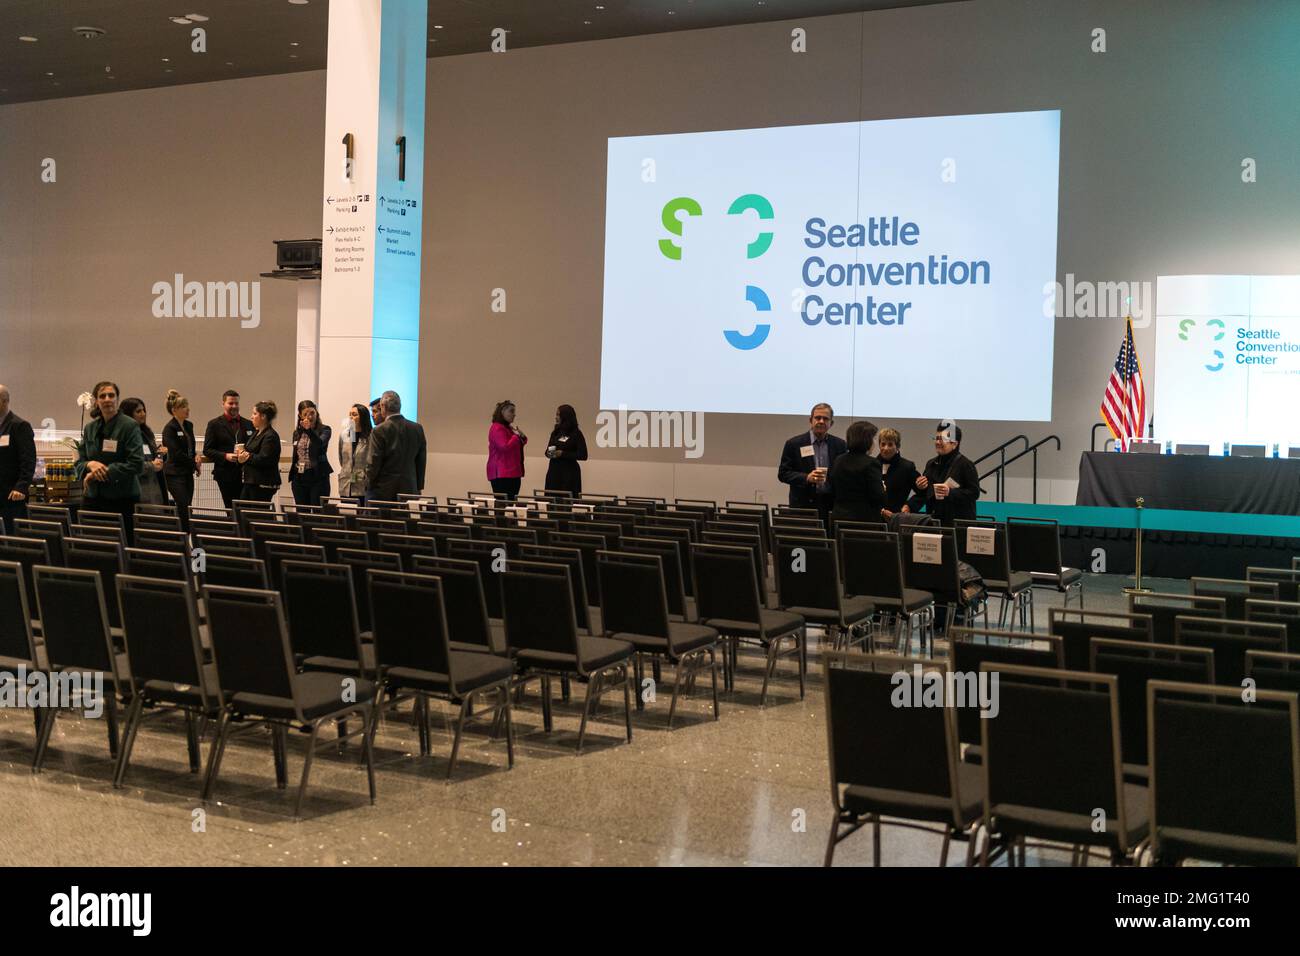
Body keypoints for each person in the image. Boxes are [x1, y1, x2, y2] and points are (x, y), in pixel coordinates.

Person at [74, 380, 144, 538]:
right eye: (102, 396)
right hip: (92, 498)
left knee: (120, 551)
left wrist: (102, 472)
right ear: (96, 401)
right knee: (91, 548)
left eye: (111, 395)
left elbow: (136, 464)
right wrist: (89, 464)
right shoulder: (90, 428)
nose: (107, 399)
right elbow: (78, 463)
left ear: (117, 400)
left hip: (121, 499)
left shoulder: (129, 426)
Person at [778, 402, 847, 525]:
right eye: (817, 418)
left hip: (830, 506)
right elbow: (783, 474)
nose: (821, 421)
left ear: (831, 423)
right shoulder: (794, 444)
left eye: (825, 418)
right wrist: (806, 477)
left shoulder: (840, 445)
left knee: (828, 543)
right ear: (810, 420)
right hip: (802, 506)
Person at [904, 419, 980, 524]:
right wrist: (920, 490)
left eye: (942, 439)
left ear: (954, 444)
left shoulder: (965, 465)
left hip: (958, 525)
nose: (937, 442)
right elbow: (926, 493)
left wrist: (950, 492)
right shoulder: (931, 464)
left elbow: (974, 493)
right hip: (935, 522)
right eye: (936, 438)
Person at [365, 391, 427, 502]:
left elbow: (373, 462)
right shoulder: (417, 428)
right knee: (404, 519)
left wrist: (368, 484)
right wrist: (418, 487)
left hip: (382, 491)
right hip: (409, 490)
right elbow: (421, 462)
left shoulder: (379, 430)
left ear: (383, 406)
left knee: (380, 520)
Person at [203, 389, 254, 509]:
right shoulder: (214, 424)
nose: (234, 406)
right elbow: (207, 450)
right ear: (223, 404)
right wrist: (225, 456)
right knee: (231, 509)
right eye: (230, 403)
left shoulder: (249, 424)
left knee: (247, 509)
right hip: (225, 475)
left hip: (247, 475)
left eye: (236, 403)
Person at [829, 420, 887, 523]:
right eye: (873, 438)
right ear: (867, 440)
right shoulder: (872, 463)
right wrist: (883, 489)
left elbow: (831, 488)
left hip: (839, 518)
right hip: (864, 521)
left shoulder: (838, 460)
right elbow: (878, 497)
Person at [161, 389, 200, 530]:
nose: (187, 409)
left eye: (187, 405)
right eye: (184, 407)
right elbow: (176, 453)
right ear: (174, 410)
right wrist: (194, 463)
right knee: (183, 505)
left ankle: (186, 534)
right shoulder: (169, 429)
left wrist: (196, 456)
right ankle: (184, 535)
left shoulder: (188, 426)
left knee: (188, 506)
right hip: (174, 474)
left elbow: (191, 447)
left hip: (187, 472)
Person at [0, 385, 37, 535]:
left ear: (4, 401)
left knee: (11, 537)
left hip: (12, 495)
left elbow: (28, 459)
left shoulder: (19, 425)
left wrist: (21, 487)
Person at [119, 397, 167, 506]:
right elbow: (125, 465)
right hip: (135, 491)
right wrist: (151, 466)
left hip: (154, 489)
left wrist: (161, 454)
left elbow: (153, 458)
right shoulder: (123, 436)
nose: (143, 414)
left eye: (144, 410)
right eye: (138, 411)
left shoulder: (146, 433)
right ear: (128, 414)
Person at [236, 400, 282, 503]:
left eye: (255, 413)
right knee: (243, 512)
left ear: (263, 416)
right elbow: (249, 451)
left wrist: (246, 456)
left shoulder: (270, 436)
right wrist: (241, 456)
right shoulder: (256, 432)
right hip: (251, 481)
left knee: (258, 515)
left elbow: (265, 458)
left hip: (262, 483)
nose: (251, 417)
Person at [289, 400, 333, 506]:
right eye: (305, 414)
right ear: (300, 415)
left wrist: (309, 430)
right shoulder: (297, 433)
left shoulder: (325, 429)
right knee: (302, 513)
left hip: (318, 476)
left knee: (317, 513)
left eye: (312, 413)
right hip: (299, 477)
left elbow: (320, 443)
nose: (309, 417)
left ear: (316, 412)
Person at [486, 400, 527, 500]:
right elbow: (504, 447)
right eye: (511, 411)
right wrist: (516, 437)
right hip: (502, 472)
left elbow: (521, 442)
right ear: (502, 412)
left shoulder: (508, 428)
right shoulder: (496, 428)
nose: (514, 414)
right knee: (502, 503)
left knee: (511, 503)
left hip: (513, 471)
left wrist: (522, 436)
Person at [544, 404, 588, 496]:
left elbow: (583, 455)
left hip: (569, 474)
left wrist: (563, 454)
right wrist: (549, 453)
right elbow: (548, 449)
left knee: (565, 503)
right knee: (551, 502)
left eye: (558, 415)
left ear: (565, 416)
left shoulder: (576, 434)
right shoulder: (556, 432)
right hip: (554, 472)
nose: (556, 417)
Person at [878, 427, 920, 520]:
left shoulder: (907, 467)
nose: (885, 448)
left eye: (890, 444)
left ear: (897, 447)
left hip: (897, 519)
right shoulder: (872, 465)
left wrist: (909, 506)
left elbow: (923, 493)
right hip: (874, 518)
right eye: (883, 444)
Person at [338, 403, 373, 501]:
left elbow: (372, 460)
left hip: (362, 484)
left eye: (354, 414)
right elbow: (341, 459)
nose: (351, 417)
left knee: (360, 514)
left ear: (363, 417)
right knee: (346, 513)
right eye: (349, 414)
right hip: (345, 483)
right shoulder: (344, 435)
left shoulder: (370, 436)